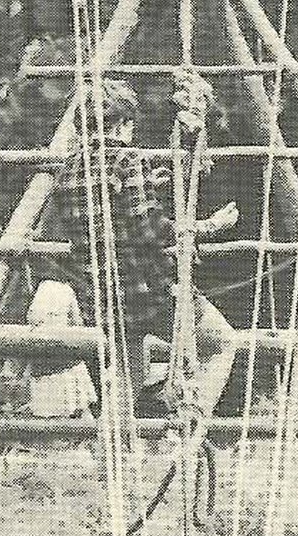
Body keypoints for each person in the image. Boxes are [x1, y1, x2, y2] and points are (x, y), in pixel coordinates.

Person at [48, 75, 238, 413]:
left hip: (104, 296)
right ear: (122, 123)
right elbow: (149, 230)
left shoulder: (69, 170)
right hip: (147, 292)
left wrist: (147, 184)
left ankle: (113, 457)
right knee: (222, 344)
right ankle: (192, 424)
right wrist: (210, 226)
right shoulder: (126, 160)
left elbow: (107, 217)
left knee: (127, 377)